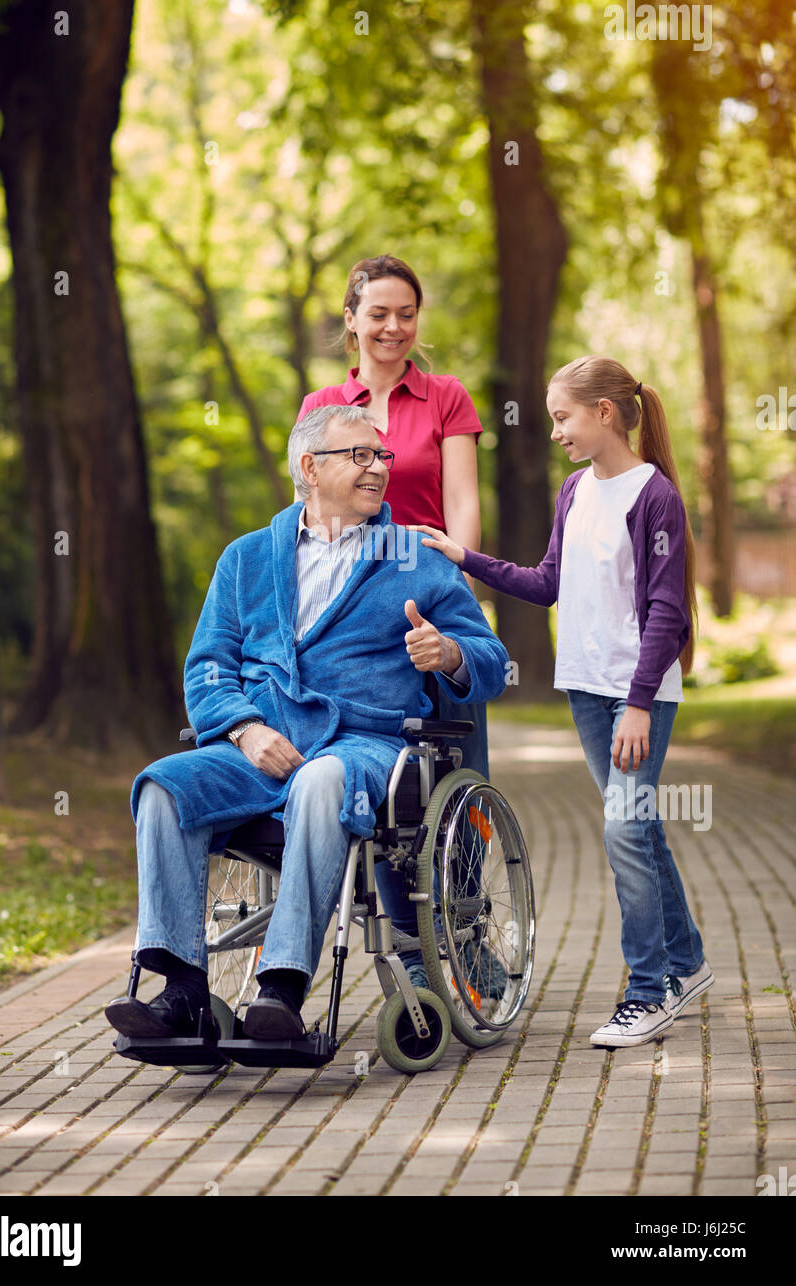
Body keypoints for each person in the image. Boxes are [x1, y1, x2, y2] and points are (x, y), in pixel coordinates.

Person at [105, 405, 510, 1047]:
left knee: (322, 779)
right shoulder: (246, 559)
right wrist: (243, 730)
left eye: (381, 456)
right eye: (359, 455)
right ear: (309, 468)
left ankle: (281, 992)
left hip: (366, 745)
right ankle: (182, 991)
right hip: (261, 743)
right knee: (161, 786)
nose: (377, 467)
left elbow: (491, 658)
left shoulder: (416, 556)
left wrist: (452, 654)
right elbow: (208, 666)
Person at [412, 355, 714, 1048]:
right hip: (584, 691)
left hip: (637, 696)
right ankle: (688, 961)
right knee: (638, 829)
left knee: (623, 831)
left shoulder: (654, 496)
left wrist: (639, 701)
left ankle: (649, 991)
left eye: (562, 417)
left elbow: (667, 611)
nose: (555, 433)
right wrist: (466, 558)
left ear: (603, 413)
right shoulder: (575, 492)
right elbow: (547, 581)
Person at [298, 254, 489, 987]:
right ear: (351, 319)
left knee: (454, 781)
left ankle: (471, 955)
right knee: (379, 788)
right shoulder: (323, 402)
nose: (393, 326)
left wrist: (460, 590)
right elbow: (307, 503)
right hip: (348, 612)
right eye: (377, 312)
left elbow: (462, 501)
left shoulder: (444, 397)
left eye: (406, 313)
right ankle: (410, 955)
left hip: (424, 598)